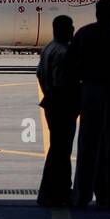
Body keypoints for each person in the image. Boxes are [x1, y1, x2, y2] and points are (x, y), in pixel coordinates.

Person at [68, 0, 110, 210]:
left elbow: (70, 65)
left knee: (87, 146)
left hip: (89, 92)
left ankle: (81, 195)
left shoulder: (83, 34)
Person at [36, 15, 79, 207]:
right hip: (62, 105)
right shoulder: (64, 52)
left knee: (57, 149)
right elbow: (63, 83)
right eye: (70, 27)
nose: (73, 30)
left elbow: (40, 74)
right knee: (61, 151)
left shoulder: (48, 48)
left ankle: (53, 191)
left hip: (51, 103)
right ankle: (58, 192)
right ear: (62, 29)